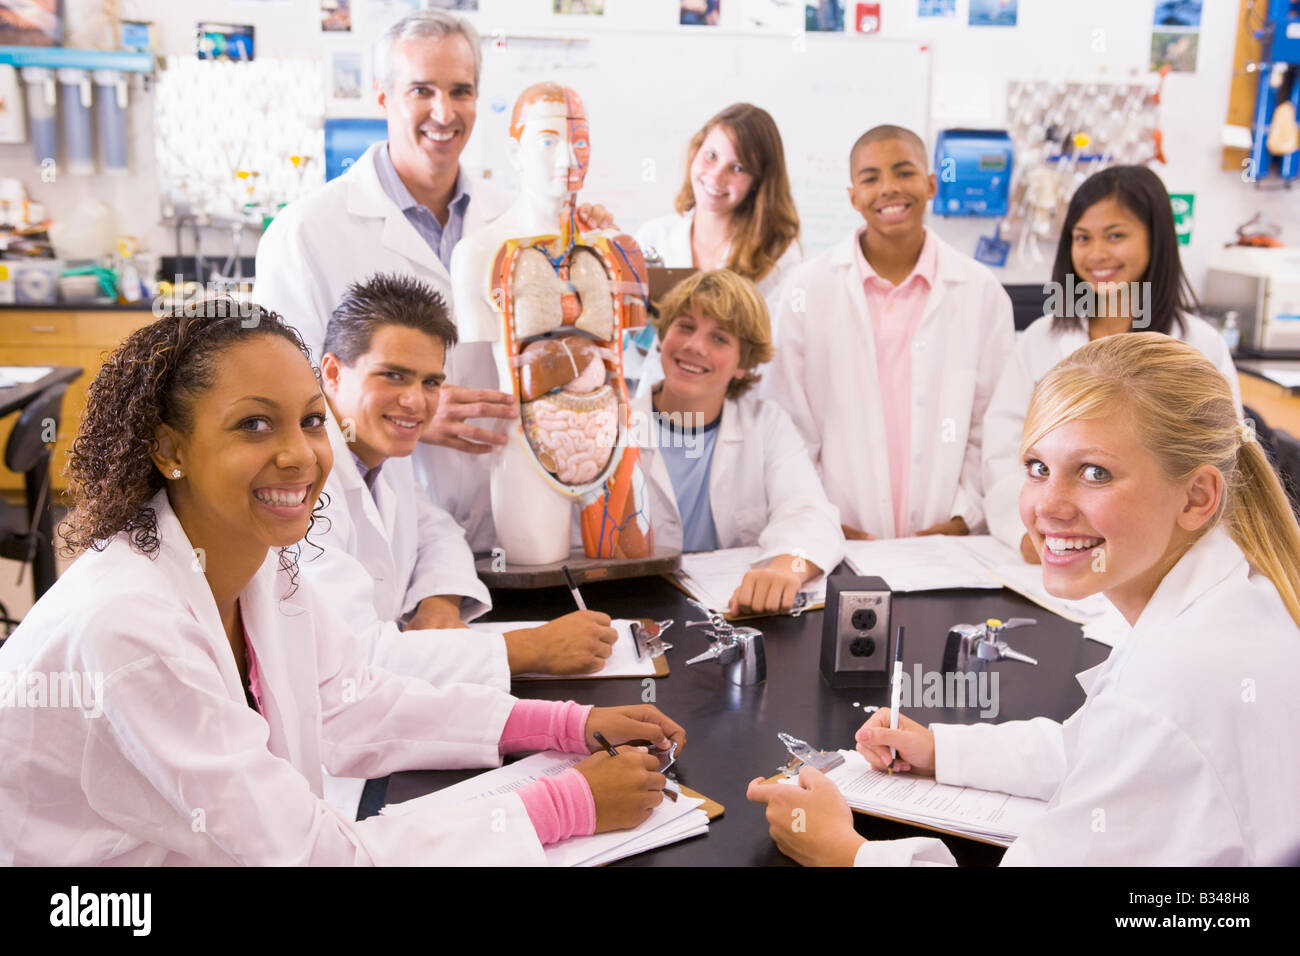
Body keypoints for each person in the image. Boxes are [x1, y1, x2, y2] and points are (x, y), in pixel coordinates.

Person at [0, 302, 686, 865]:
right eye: (254, 423)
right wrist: (563, 806)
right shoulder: (131, 628)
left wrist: (565, 725)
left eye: (310, 421)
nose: (299, 454)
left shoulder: (258, 561)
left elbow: (356, 703)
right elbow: (310, 858)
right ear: (169, 448)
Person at [748, 333, 1300, 866]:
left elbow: (1140, 737)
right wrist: (944, 749)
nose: (1048, 507)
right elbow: (1095, 751)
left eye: (1094, 472)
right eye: (1038, 468)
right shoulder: (1238, 595)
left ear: (1197, 496)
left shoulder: (1167, 695)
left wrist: (847, 853)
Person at [253, 10, 613, 552]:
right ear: (382, 96)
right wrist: (406, 410)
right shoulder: (304, 232)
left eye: (460, 91)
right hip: (373, 533)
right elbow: (279, 402)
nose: (444, 112)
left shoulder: (512, 221)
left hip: (516, 517)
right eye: (421, 89)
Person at [306, 272, 623, 683]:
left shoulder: (380, 452)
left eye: (431, 382)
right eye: (393, 375)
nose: (415, 401)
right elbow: (354, 660)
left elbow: (437, 532)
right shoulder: (302, 482)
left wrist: (439, 602)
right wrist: (530, 649)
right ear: (332, 372)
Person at [982, 164, 1243, 562]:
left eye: (1116, 236)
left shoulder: (1198, 344)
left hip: (1161, 558)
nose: (1097, 254)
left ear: (1157, 240)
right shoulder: (1041, 339)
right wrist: (1027, 532)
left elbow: (1223, 461)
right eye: (1082, 238)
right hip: (1052, 552)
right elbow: (1002, 450)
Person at [768, 124, 1014, 540]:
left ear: (932, 183)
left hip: (949, 542)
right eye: (870, 178)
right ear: (852, 197)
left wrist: (964, 516)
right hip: (833, 537)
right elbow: (788, 421)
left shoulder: (980, 290)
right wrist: (817, 518)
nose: (888, 188)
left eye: (904, 172)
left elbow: (992, 420)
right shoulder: (806, 289)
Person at [633, 269, 842, 615]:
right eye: (685, 326)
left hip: (732, 616)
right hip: (635, 612)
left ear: (743, 364)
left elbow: (809, 511)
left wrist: (786, 567)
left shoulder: (767, 425)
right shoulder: (611, 424)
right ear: (663, 334)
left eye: (719, 338)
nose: (694, 346)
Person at [631, 103, 802, 393]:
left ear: (758, 182)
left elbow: (771, 361)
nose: (716, 177)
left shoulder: (778, 259)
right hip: (653, 408)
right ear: (695, 151)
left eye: (737, 168)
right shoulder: (653, 238)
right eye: (711, 156)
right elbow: (628, 346)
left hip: (733, 415)